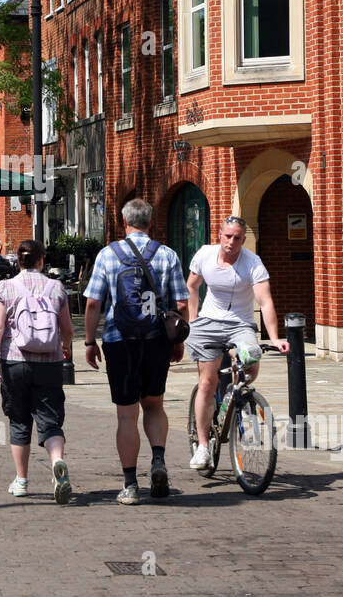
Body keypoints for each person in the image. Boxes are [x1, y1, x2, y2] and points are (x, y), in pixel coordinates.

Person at [83, 198, 189, 505]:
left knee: (126, 414)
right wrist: (177, 341)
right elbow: (181, 304)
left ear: (124, 222)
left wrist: (90, 342)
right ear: (151, 222)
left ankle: (130, 484)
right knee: (154, 404)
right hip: (156, 340)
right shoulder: (167, 255)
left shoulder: (108, 254)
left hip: (120, 340)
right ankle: (158, 460)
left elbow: (93, 303)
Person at [184, 215, 291, 471]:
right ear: (219, 235)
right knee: (207, 383)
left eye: (237, 238)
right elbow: (192, 286)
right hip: (208, 322)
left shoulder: (252, 262)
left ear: (244, 239)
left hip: (240, 325)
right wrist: (193, 320)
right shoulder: (205, 255)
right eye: (227, 236)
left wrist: (274, 337)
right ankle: (202, 446)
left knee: (251, 361)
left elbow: (265, 301)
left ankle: (237, 399)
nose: (231, 242)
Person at [0, 240, 74, 503]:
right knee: (50, 419)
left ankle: (22, 480)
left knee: (19, 420)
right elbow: (67, 328)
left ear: (18, 261)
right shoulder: (56, 288)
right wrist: (66, 347)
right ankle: (57, 461)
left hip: (15, 362)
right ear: (41, 260)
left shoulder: (5, 288)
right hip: (49, 362)